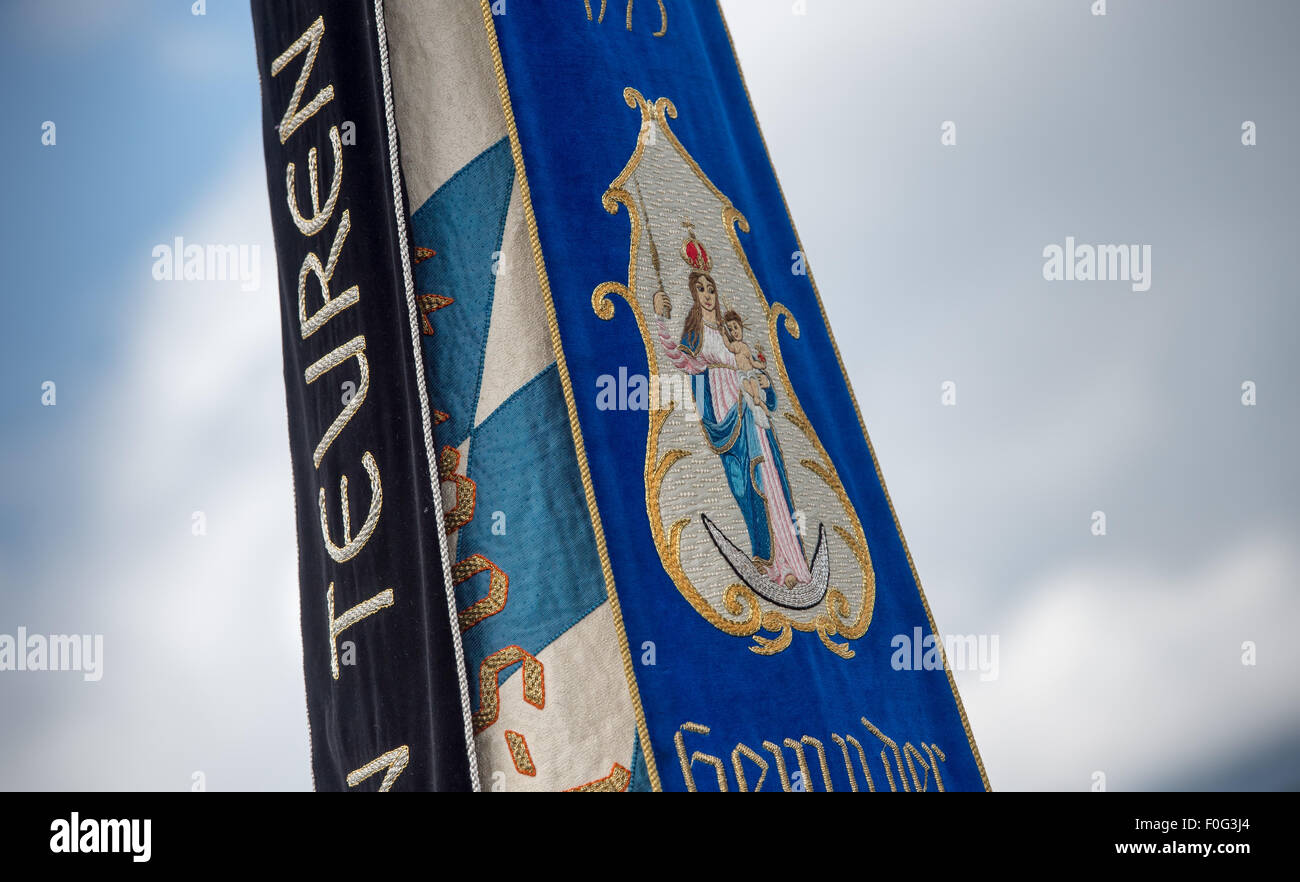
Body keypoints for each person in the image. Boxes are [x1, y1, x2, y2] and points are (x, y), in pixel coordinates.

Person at [652, 273, 811, 589]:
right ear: (694, 295)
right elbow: (681, 361)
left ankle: (790, 563)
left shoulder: (730, 337)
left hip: (750, 415)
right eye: (701, 289)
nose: (708, 295)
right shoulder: (696, 333)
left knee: (770, 483)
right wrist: (659, 316)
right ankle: (768, 562)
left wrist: (761, 385)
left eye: (711, 288)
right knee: (744, 488)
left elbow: (757, 376)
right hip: (725, 419)